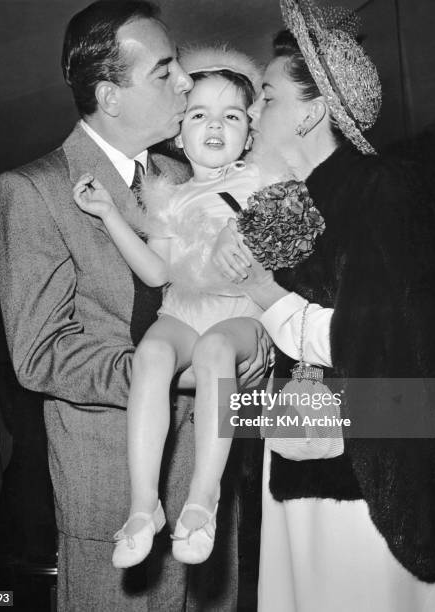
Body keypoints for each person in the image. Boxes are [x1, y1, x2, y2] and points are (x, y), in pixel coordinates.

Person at [0, 2, 269, 610]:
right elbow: (41, 355)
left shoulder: (193, 168)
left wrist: (256, 351)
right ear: (110, 97)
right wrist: (169, 371)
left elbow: (257, 289)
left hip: (210, 484)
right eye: (165, 70)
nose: (186, 82)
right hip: (112, 494)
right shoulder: (33, 191)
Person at [213, 0, 435, 610]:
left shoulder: (383, 189)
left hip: (366, 498)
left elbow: (401, 345)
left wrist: (268, 297)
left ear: (313, 113)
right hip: (301, 473)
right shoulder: (296, 200)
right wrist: (224, 401)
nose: (252, 111)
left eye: (267, 96)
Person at [72, 47, 269, 570]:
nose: (214, 125)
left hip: (238, 312)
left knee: (214, 349)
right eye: (198, 114)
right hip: (182, 309)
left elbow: (287, 246)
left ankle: (203, 500)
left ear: (250, 135)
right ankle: (144, 507)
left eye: (231, 116)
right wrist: (111, 212)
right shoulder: (170, 197)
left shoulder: (261, 184)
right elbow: (157, 274)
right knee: (153, 353)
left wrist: (242, 226)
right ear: (178, 135)